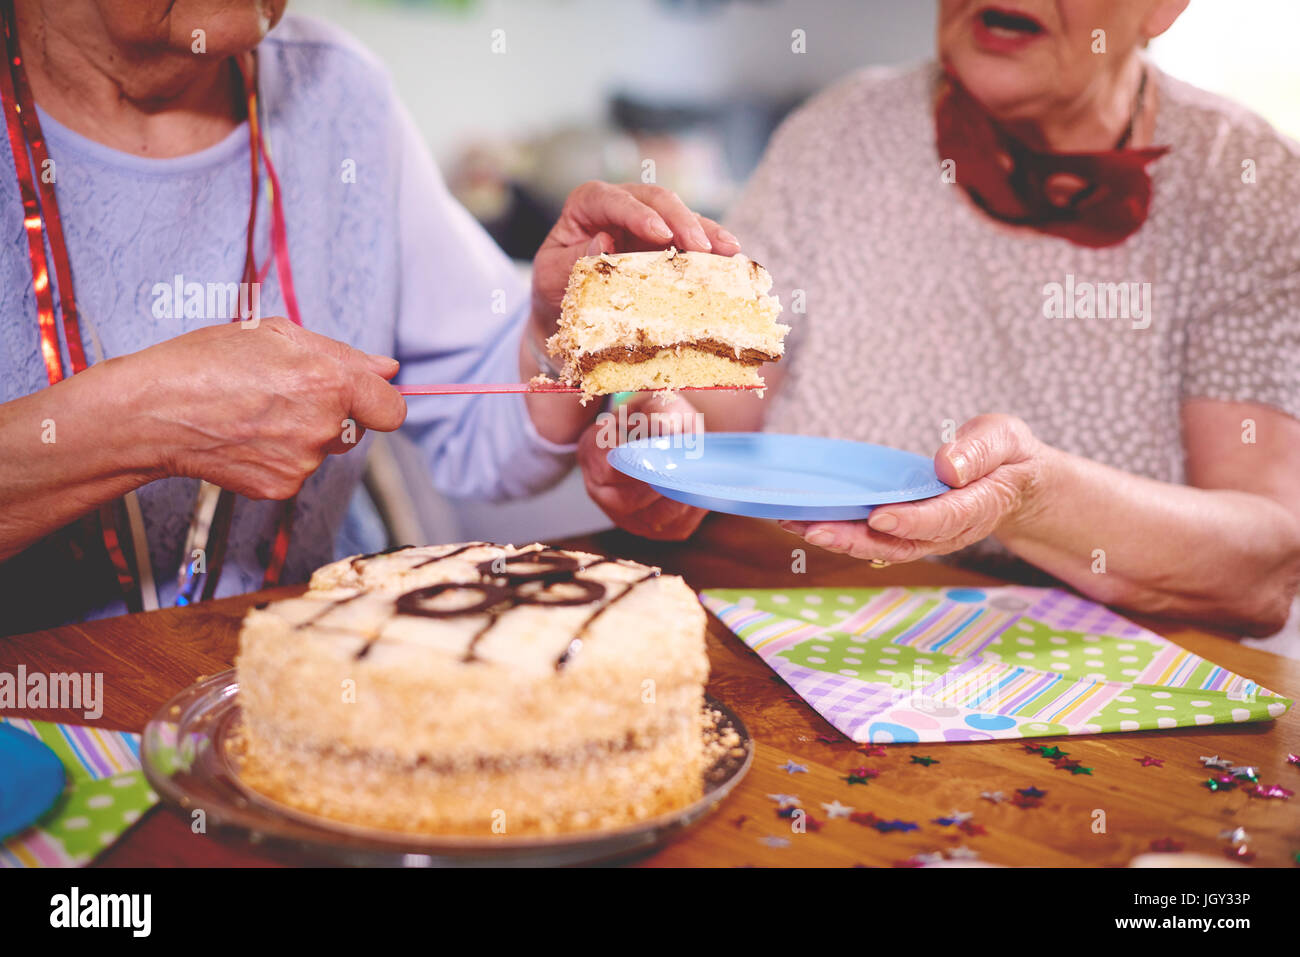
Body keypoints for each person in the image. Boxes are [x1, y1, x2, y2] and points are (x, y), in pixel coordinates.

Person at [580, 0, 1300, 647]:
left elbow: (1263, 567)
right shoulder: (836, 133)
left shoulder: (1244, 182)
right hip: (796, 621)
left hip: (1086, 686)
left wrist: (1032, 498)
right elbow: (728, 390)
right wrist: (663, 421)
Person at [0, 0, 737, 632]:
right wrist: (146, 420)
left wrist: (560, 338)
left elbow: (483, 413)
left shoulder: (338, 91)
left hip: (321, 671)